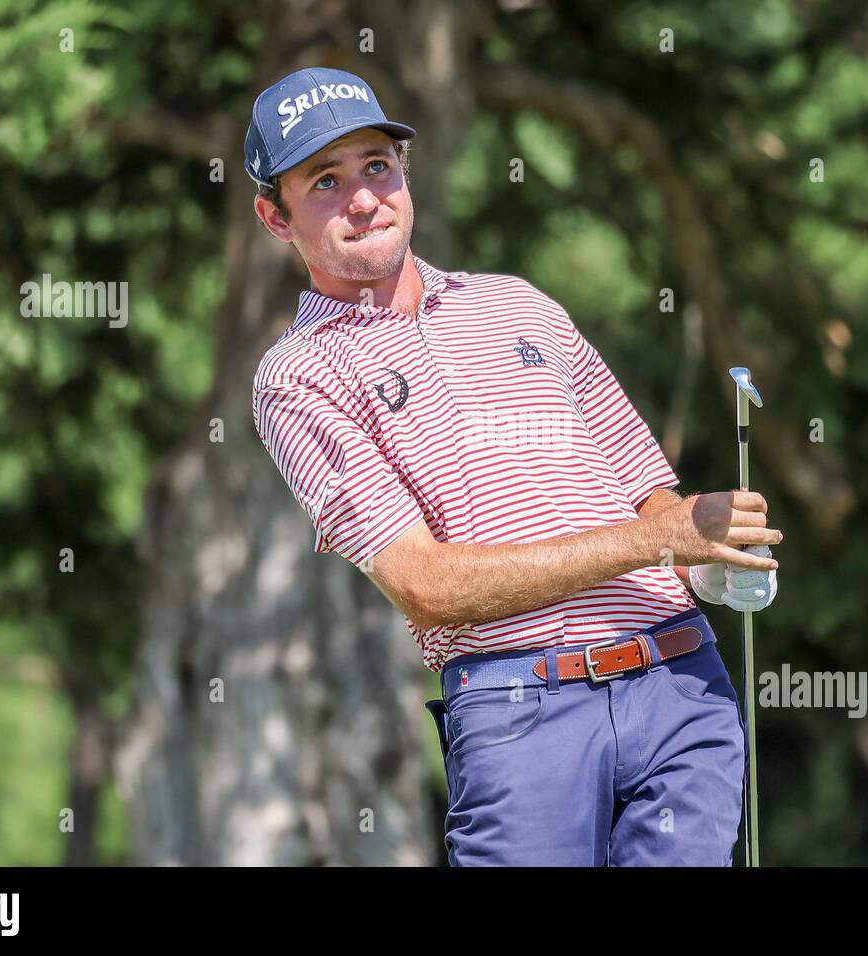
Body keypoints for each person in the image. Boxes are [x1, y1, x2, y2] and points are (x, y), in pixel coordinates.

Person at [245, 67, 782, 866]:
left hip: (680, 686)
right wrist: (659, 542)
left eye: (377, 167)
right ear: (275, 216)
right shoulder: (298, 377)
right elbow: (426, 587)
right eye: (325, 181)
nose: (364, 198)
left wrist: (710, 563)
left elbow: (647, 496)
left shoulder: (522, 305)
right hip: (518, 707)